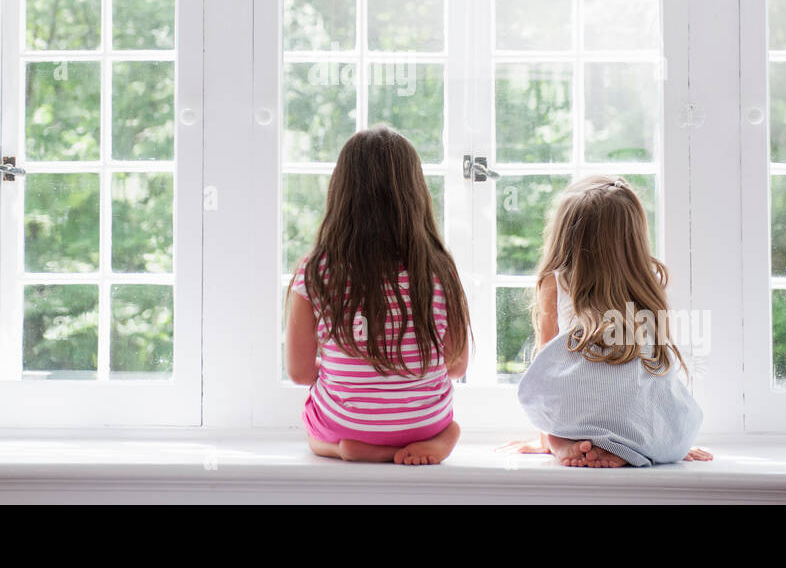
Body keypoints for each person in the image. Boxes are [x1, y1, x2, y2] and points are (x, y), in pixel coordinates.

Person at [284, 126, 471, 464]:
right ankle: (445, 436)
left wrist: (347, 367)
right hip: (424, 424)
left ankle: (340, 448)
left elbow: (299, 373)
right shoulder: (440, 269)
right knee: (442, 416)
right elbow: (456, 366)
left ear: (341, 193)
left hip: (346, 425)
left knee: (313, 433)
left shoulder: (315, 271)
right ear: (415, 194)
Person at [509, 176, 713, 467]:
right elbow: (656, 371)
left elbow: (545, 368)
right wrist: (671, 440)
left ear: (566, 237)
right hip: (635, 420)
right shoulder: (648, 283)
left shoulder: (554, 282)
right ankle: (632, 448)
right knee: (647, 400)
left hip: (578, 416)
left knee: (561, 411)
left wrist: (545, 435)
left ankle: (562, 444)